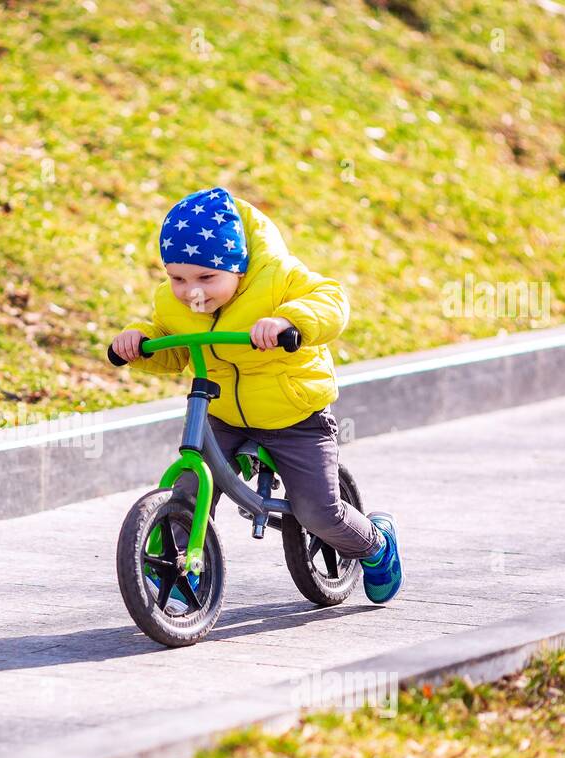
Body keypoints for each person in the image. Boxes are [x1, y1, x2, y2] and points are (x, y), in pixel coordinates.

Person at [110, 186, 402, 604]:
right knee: (190, 489)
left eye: (207, 278)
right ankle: (183, 574)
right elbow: (171, 351)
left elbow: (331, 300)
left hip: (294, 416)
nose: (192, 292)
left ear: (239, 268)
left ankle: (375, 544)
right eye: (178, 278)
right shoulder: (172, 302)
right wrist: (139, 343)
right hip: (224, 414)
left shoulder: (278, 279)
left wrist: (288, 320)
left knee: (316, 511)